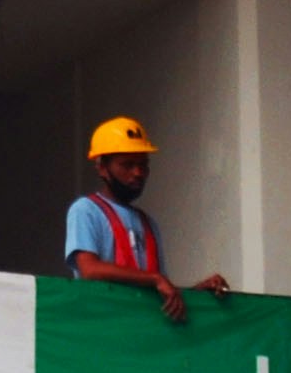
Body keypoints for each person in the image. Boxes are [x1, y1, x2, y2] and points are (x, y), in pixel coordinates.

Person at [67, 116, 227, 323]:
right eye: (127, 165)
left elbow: (156, 293)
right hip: (103, 327)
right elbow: (89, 269)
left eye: (143, 165)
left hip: (141, 332)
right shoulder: (86, 210)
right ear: (102, 168)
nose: (137, 173)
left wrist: (197, 294)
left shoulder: (148, 223)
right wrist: (155, 279)